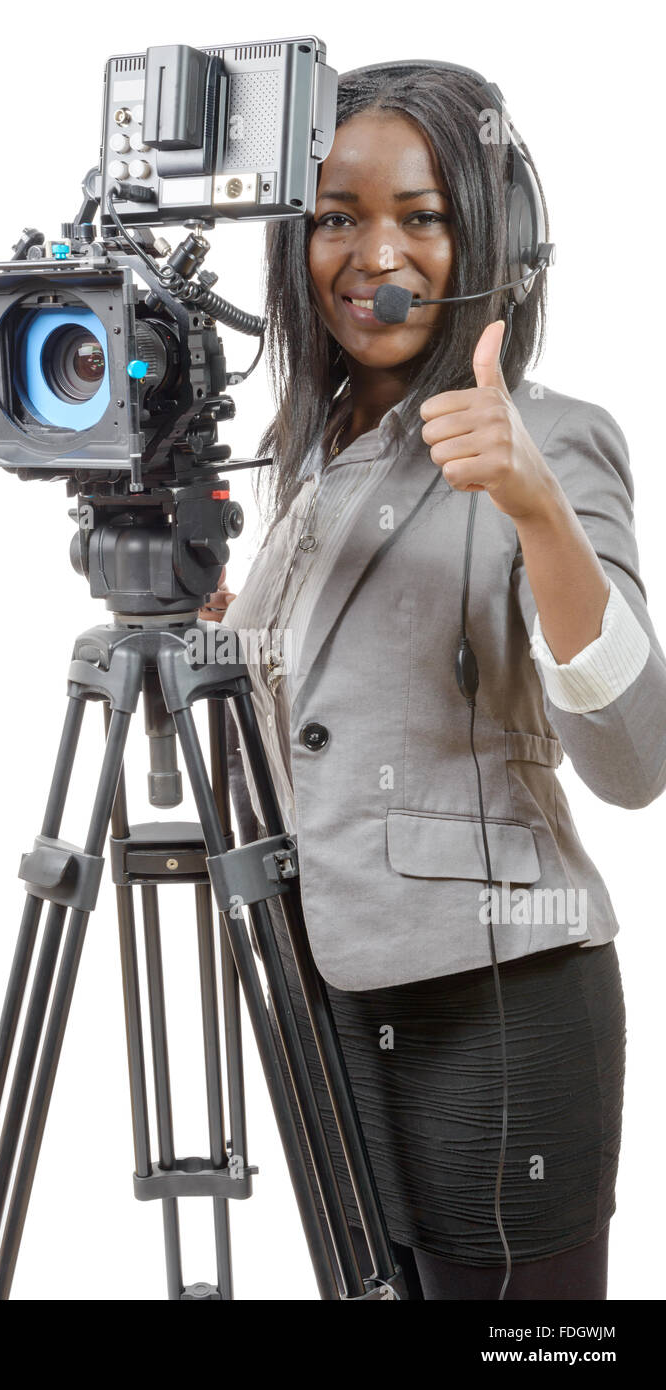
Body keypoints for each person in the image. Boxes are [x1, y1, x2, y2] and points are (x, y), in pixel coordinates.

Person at [202, 62, 666, 1301]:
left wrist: (537, 511)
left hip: (497, 995)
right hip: (329, 982)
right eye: (337, 215)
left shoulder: (549, 435)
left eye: (421, 214)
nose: (372, 254)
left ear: (489, 236)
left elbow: (633, 753)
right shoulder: (313, 443)